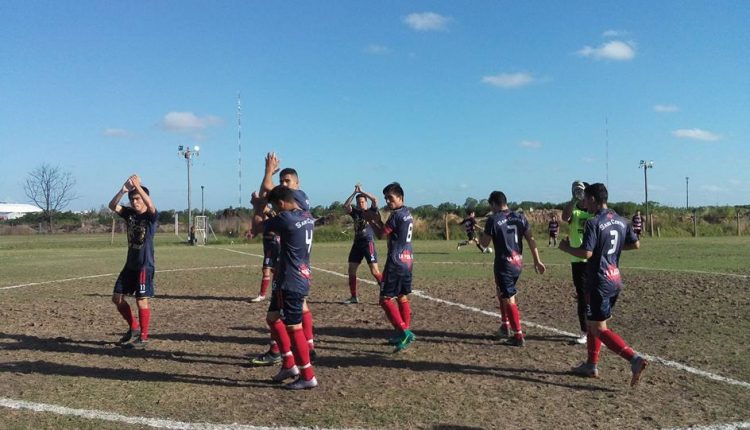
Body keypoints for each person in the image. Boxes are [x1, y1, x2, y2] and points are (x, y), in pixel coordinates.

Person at [559, 183, 648, 386]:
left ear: (592, 199)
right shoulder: (620, 220)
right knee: (594, 324)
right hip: (614, 278)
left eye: (586, 200)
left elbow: (586, 253)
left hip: (598, 281)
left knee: (598, 328)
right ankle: (591, 365)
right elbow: (636, 244)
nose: (584, 203)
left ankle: (634, 360)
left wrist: (565, 247)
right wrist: (611, 249)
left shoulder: (593, 222)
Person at [251, 153, 315, 365]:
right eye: (282, 181)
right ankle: (306, 346)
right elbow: (267, 196)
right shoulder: (294, 207)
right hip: (292, 258)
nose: (284, 184)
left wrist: (268, 171)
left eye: (288, 182)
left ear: (298, 184)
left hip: (291, 264)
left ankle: (281, 352)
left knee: (280, 312)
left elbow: (266, 193)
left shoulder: (298, 197)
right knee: (291, 307)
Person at [479, 191, 545, 347]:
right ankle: (504, 326)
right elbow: (530, 239)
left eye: (491, 205)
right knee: (501, 292)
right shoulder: (520, 217)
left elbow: (484, 244)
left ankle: (518, 335)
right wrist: (537, 260)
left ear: (494, 204)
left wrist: (481, 233)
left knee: (508, 298)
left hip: (504, 264)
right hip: (518, 263)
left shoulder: (493, 219)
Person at [363, 182, 416, 352]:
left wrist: (372, 220)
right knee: (402, 296)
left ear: (400, 197)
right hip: (408, 260)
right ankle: (404, 333)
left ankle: (404, 331)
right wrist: (378, 220)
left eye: (390, 198)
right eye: (386, 198)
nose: (388, 201)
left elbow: (380, 234)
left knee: (385, 299)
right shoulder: (407, 213)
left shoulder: (396, 215)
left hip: (395, 262)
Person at [108, 174, 158, 349]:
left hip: (145, 265)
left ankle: (143, 338)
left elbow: (151, 205)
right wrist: (123, 190)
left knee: (141, 300)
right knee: (117, 298)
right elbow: (112, 206)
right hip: (130, 264)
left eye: (137, 199)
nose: (135, 202)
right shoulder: (129, 214)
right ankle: (134, 328)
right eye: (132, 200)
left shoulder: (150, 217)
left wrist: (138, 187)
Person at [561, 181, 592, 345]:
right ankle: (585, 331)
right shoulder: (575, 211)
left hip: (594, 260)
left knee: (594, 296)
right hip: (578, 260)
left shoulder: (594, 211)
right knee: (582, 297)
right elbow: (565, 217)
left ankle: (597, 327)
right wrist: (573, 200)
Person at [341, 184, 383, 304]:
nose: (361, 204)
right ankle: (354, 297)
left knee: (375, 271)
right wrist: (354, 193)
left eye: (363, 201)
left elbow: (375, 200)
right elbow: (345, 206)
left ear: (366, 202)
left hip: (368, 242)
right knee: (351, 270)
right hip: (357, 244)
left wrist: (362, 191)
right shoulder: (355, 212)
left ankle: (387, 293)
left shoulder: (372, 211)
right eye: (359, 202)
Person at [249, 207, 279, 303]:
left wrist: (263, 205)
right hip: (268, 247)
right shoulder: (262, 218)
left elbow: (268, 211)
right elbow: (258, 228)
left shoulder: (273, 215)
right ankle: (263, 295)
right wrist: (252, 233)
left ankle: (271, 295)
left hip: (274, 246)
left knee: (272, 271)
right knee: (268, 270)